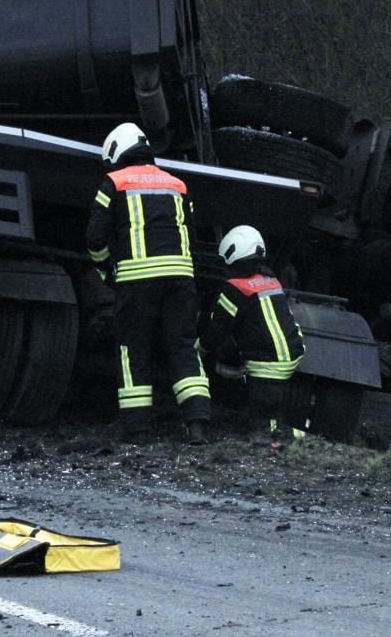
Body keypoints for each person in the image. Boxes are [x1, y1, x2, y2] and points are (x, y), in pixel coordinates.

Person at [86, 122, 211, 444]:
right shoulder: (177, 185)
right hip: (180, 280)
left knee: (133, 350)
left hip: (136, 282)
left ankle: (138, 430)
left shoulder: (114, 182)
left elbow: (95, 238)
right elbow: (192, 236)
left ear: (117, 152)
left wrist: (106, 270)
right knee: (183, 347)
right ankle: (196, 424)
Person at [197, 225, 304, 427]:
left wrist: (200, 348)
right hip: (293, 354)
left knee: (262, 425)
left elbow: (219, 328)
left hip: (267, 366)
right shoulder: (271, 279)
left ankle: (273, 432)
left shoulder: (236, 289)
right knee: (272, 414)